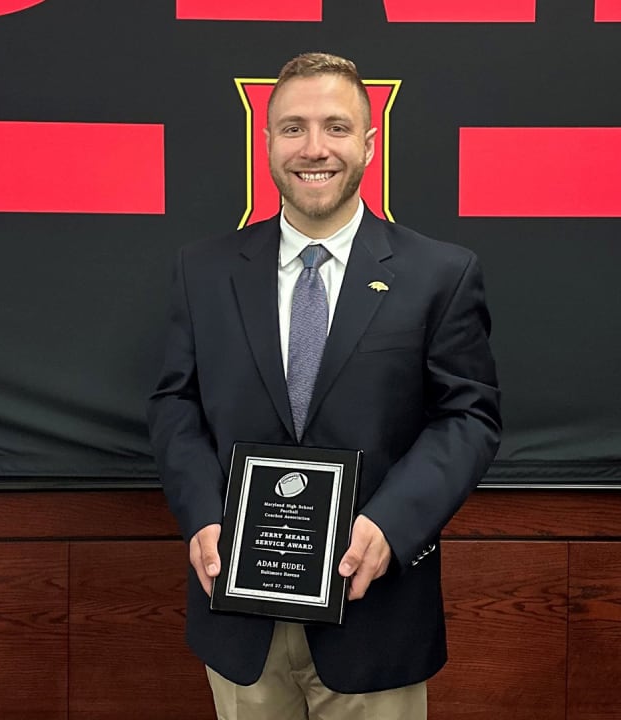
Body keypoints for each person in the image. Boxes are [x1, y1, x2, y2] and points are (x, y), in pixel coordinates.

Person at [148, 52, 501, 719]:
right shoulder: (203, 271)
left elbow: (469, 416)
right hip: (239, 620)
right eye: (293, 128)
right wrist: (201, 516)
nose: (315, 148)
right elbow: (175, 402)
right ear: (268, 143)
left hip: (377, 615)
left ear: (369, 144)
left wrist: (391, 525)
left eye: (336, 128)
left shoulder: (439, 274)